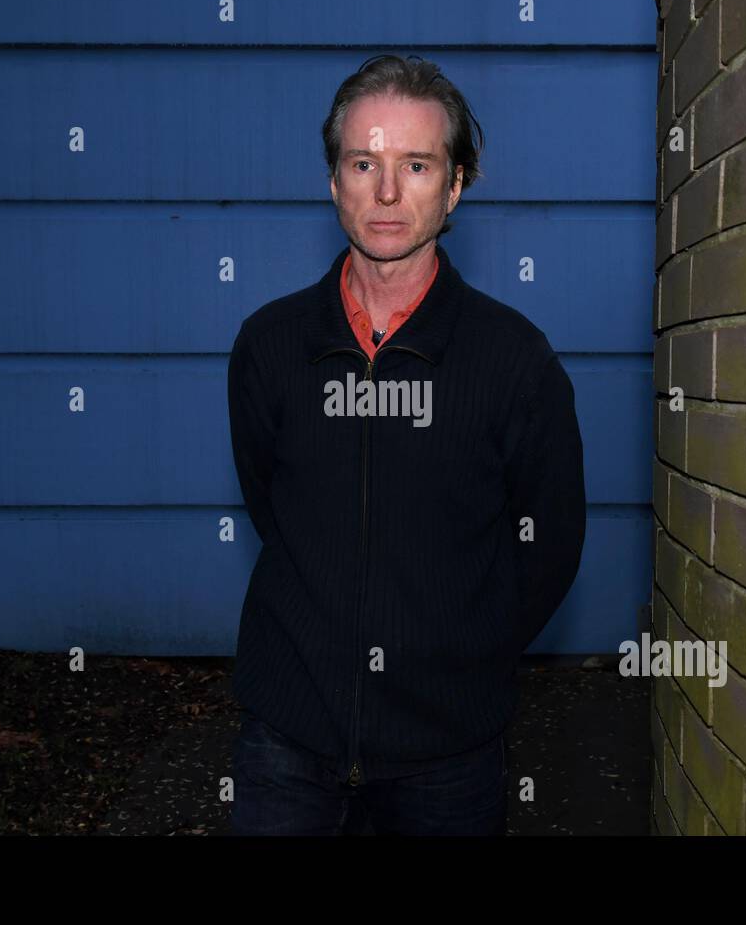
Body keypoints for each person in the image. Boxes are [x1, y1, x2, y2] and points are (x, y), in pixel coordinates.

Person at [226, 54, 586, 835]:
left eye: (416, 164)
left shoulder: (516, 362)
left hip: (447, 756)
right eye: (365, 163)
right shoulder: (270, 346)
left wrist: (457, 657)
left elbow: (549, 548)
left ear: (456, 186)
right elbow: (270, 506)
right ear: (334, 181)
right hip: (286, 741)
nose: (387, 192)